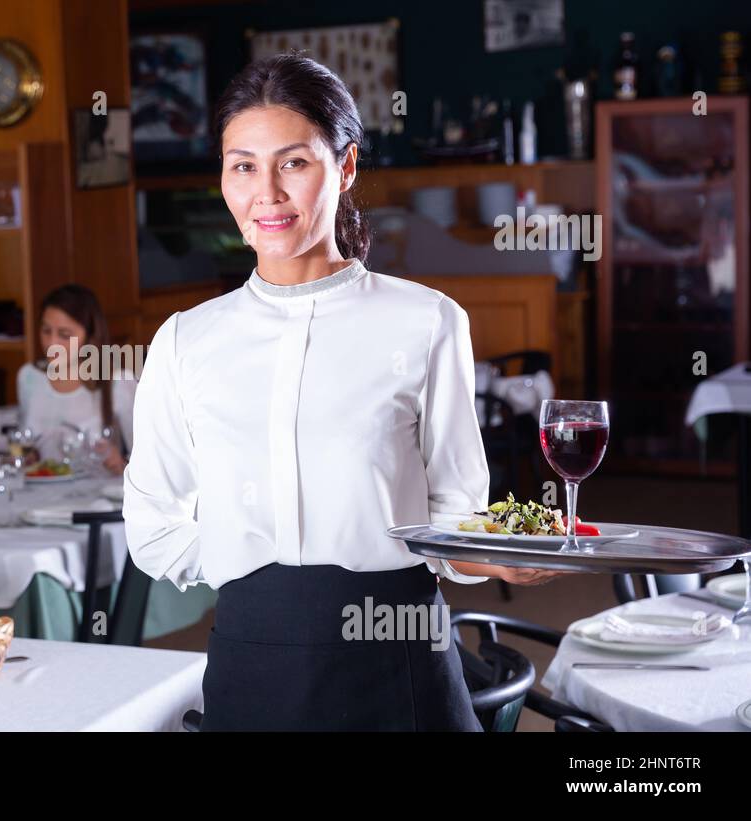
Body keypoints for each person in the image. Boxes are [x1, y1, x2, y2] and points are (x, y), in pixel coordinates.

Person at [123, 54, 564, 732]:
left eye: (293, 163)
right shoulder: (186, 341)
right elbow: (153, 523)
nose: (266, 192)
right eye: (243, 165)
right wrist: (248, 565)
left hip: (400, 654)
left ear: (346, 166)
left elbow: (454, 515)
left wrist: (505, 555)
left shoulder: (428, 320)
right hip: (251, 655)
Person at [16, 284, 135, 475]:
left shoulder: (118, 382)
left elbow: (149, 463)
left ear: (89, 337)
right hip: (40, 497)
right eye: (46, 331)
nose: (51, 343)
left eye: (64, 335)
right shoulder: (29, 377)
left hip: (99, 499)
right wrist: (27, 457)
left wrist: (121, 463)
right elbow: (25, 443)